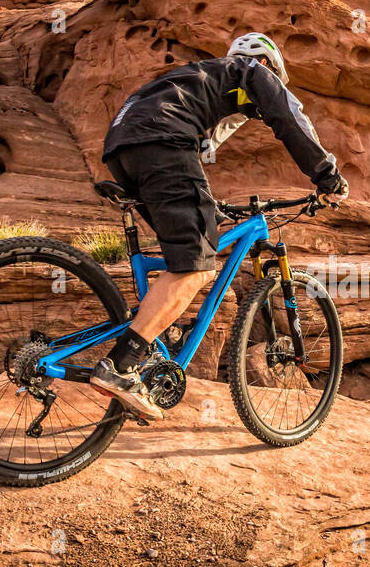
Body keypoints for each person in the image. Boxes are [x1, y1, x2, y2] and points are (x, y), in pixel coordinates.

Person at [90, 32, 349, 420]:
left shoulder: (200, 78)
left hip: (122, 146)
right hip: (162, 140)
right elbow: (289, 118)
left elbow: (199, 154)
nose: (256, 111)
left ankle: (159, 333)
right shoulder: (251, 71)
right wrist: (327, 177)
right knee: (195, 267)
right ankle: (122, 365)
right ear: (267, 65)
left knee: (187, 248)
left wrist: (211, 209)